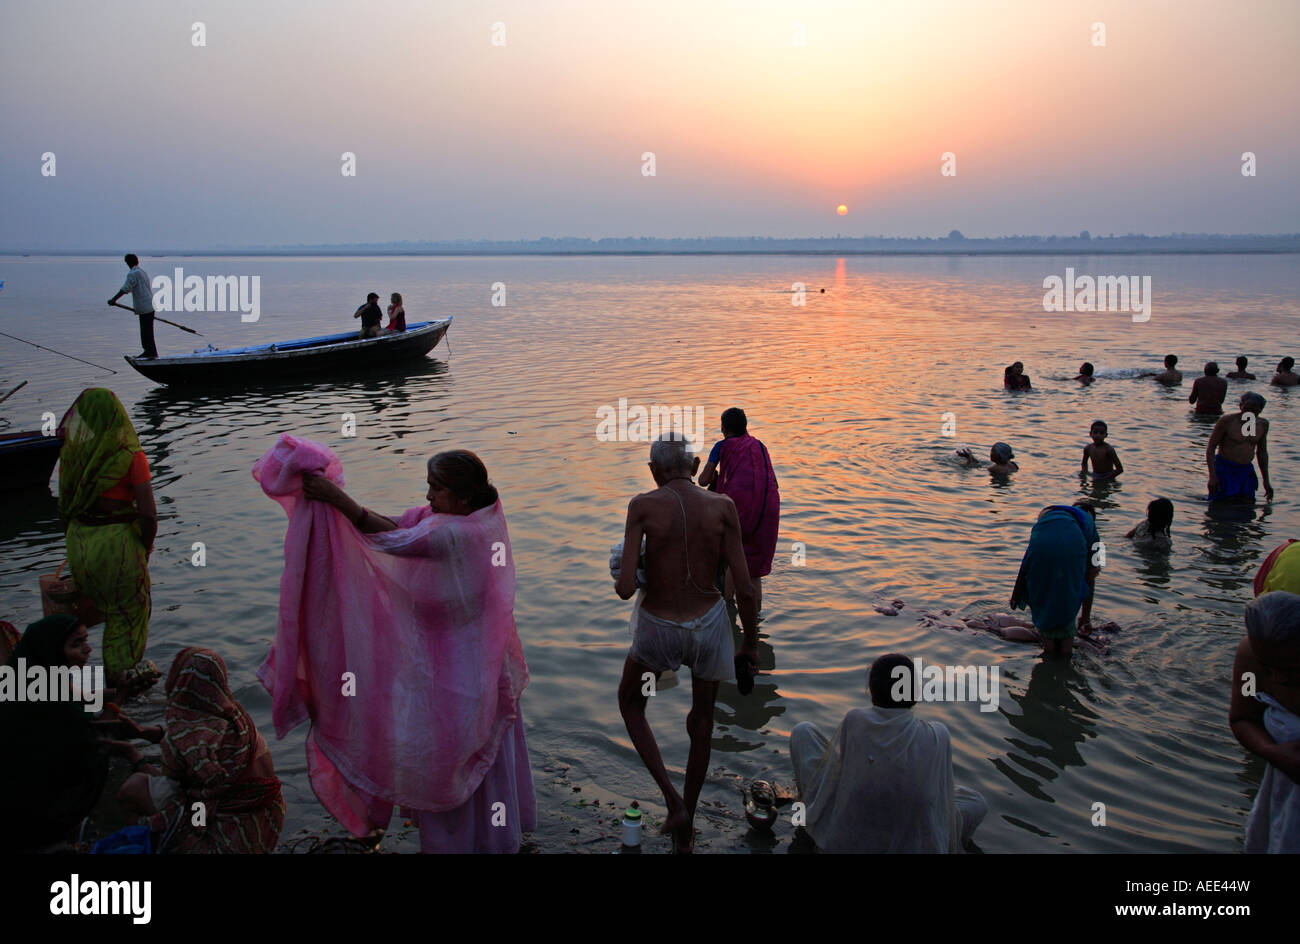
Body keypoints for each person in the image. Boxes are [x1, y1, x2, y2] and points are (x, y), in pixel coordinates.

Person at [260, 440, 535, 853]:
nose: (428, 496)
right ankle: (493, 840)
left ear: (462, 496)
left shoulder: (460, 533)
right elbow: (404, 527)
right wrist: (338, 510)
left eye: (436, 488)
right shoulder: (478, 515)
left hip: (466, 676)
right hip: (474, 665)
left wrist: (338, 501)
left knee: (453, 764)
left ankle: (463, 846)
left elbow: (396, 541)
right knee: (468, 760)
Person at [616, 433, 759, 852]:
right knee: (702, 721)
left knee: (631, 703)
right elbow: (746, 589)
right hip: (710, 625)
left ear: (653, 471)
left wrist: (634, 568)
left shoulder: (642, 505)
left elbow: (625, 588)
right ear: (696, 467)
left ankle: (671, 800)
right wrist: (749, 645)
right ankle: (687, 827)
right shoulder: (724, 506)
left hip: (658, 627)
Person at [788, 653, 986, 853]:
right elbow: (942, 797)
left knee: (803, 732)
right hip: (914, 843)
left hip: (845, 841)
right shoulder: (939, 734)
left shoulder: (856, 720)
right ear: (914, 692)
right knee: (976, 802)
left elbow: (835, 774)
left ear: (872, 691)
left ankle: (811, 807)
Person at [113, 647, 285, 854]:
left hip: (226, 839)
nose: (86, 649)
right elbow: (204, 741)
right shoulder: (238, 718)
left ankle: (155, 844)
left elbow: (178, 784)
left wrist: (135, 756)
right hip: (267, 825)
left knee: (135, 788)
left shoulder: (184, 734)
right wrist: (145, 731)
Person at [57, 388, 155, 686]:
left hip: (80, 543)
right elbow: (148, 515)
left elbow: (65, 509)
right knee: (125, 616)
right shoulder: (131, 457)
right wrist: (145, 546)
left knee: (99, 609)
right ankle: (118, 686)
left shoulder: (72, 457)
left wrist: (77, 548)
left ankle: (80, 683)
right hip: (117, 548)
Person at [0, 615, 110, 852]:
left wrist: (117, 693)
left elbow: (87, 703)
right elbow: (89, 730)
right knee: (98, 753)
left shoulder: (21, 677)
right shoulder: (51, 701)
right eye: (76, 644)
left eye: (86, 641)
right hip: (28, 810)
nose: (88, 649)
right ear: (52, 650)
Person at [1229, 592, 1300, 853]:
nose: (1278, 679)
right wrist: (1272, 752)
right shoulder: (1252, 654)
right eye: (1268, 667)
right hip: (1283, 790)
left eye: (1292, 669)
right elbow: (1243, 717)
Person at [696, 408, 780, 611]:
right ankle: (756, 618)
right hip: (766, 511)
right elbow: (773, 481)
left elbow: (703, 480)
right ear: (745, 427)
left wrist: (714, 475)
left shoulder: (722, 446)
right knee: (754, 571)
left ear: (723, 429)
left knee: (736, 559)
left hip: (738, 512)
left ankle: (729, 611)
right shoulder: (760, 446)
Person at [1010, 503, 1101, 657]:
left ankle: (1048, 652)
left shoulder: (1051, 512)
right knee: (1069, 592)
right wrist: (1085, 618)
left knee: (1042, 588)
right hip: (1072, 544)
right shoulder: (1092, 529)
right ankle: (1065, 656)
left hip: (1039, 543)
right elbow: (1092, 575)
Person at [1206, 392, 1274, 501]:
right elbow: (1211, 448)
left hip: (1245, 470)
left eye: (1254, 411)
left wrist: (1266, 481)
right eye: (1247, 409)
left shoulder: (1263, 424)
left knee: (1246, 506)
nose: (1249, 413)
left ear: (1260, 410)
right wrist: (1212, 476)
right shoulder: (1227, 421)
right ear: (1240, 406)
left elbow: (1262, 453)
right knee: (1219, 505)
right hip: (1224, 468)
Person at [107, 253, 158, 359]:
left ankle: (150, 353)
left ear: (128, 263)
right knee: (148, 332)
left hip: (145, 307)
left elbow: (125, 289)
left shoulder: (133, 274)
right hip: (149, 306)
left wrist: (114, 299)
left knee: (146, 333)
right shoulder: (142, 272)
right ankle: (151, 352)